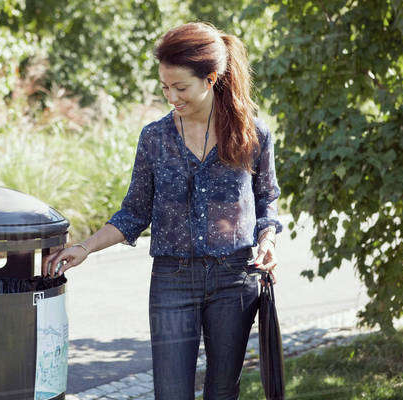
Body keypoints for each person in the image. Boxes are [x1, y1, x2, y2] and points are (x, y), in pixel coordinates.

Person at [42, 21, 283, 400]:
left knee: (222, 391)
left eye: (181, 87)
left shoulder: (253, 133)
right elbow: (134, 212)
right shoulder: (155, 138)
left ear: (211, 79)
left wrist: (267, 239)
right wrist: (85, 248)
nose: (171, 96)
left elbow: (267, 198)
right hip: (173, 279)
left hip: (234, 279)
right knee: (171, 393)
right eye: (165, 87)